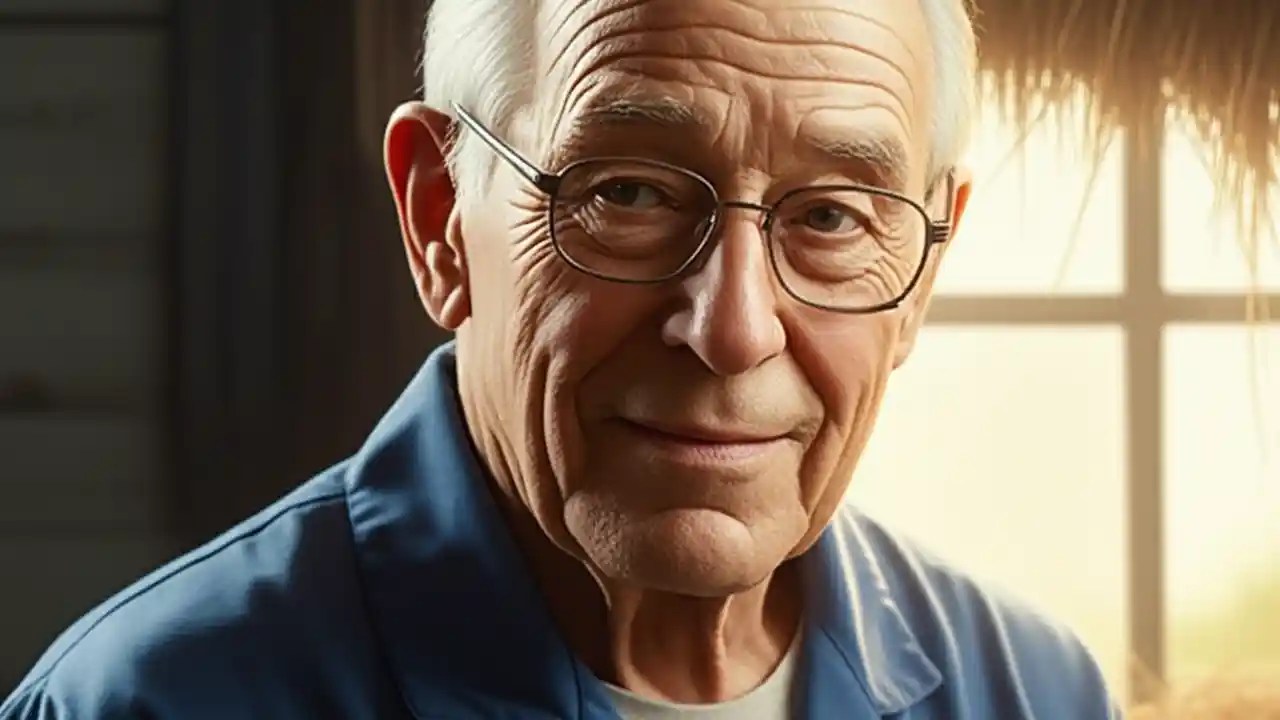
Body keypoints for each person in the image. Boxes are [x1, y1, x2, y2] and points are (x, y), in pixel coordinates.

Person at [2, 0, 1120, 718]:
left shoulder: (1030, 692)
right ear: (440, 220)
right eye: (627, 193)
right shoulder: (156, 700)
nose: (734, 329)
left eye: (830, 216)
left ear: (922, 271)